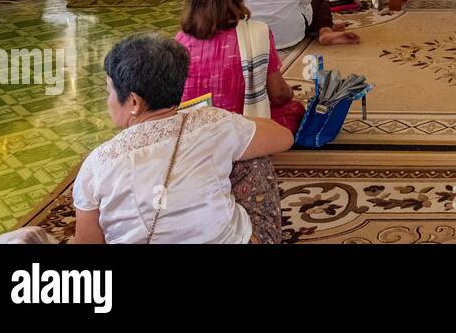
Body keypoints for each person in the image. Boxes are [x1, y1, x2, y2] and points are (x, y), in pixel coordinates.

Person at [71, 34, 294, 244]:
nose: (108, 100)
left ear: (134, 102)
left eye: (109, 91)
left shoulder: (96, 163)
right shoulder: (212, 124)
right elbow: (284, 137)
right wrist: (230, 121)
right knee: (253, 157)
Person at [176, 0, 305, 133]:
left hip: (193, 132)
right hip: (242, 128)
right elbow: (278, 95)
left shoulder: (180, 40)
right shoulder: (258, 32)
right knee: (295, 111)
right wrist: (289, 93)